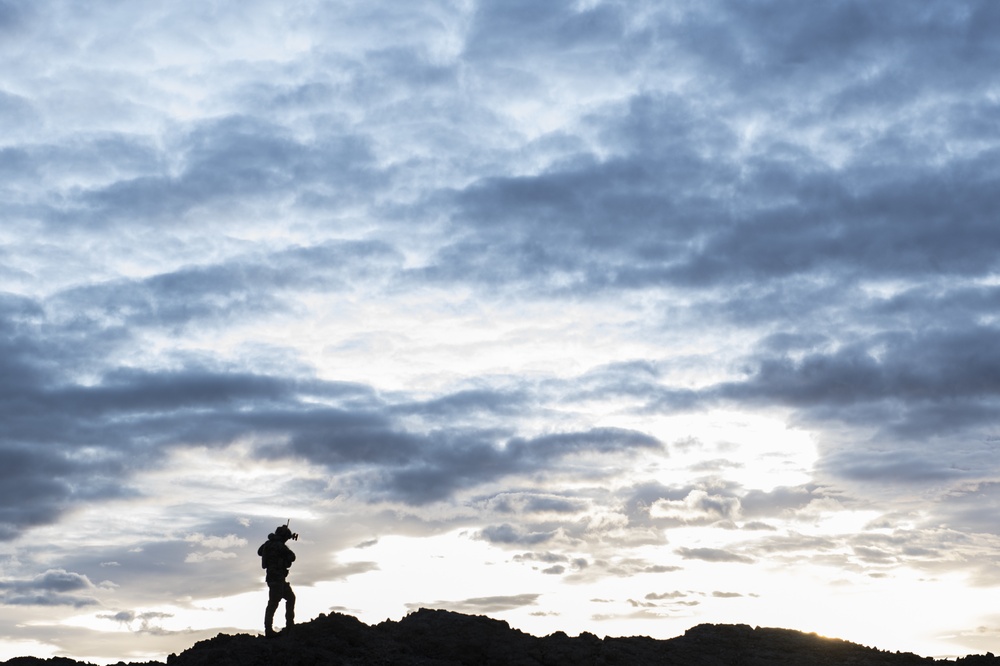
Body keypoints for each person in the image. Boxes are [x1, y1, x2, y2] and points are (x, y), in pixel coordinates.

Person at [257, 523, 297, 637]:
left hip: (275, 578)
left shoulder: (268, 544)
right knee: (274, 602)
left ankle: (288, 626)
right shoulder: (279, 546)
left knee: (289, 598)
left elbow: (260, 551)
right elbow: (292, 557)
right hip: (277, 578)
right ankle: (269, 630)